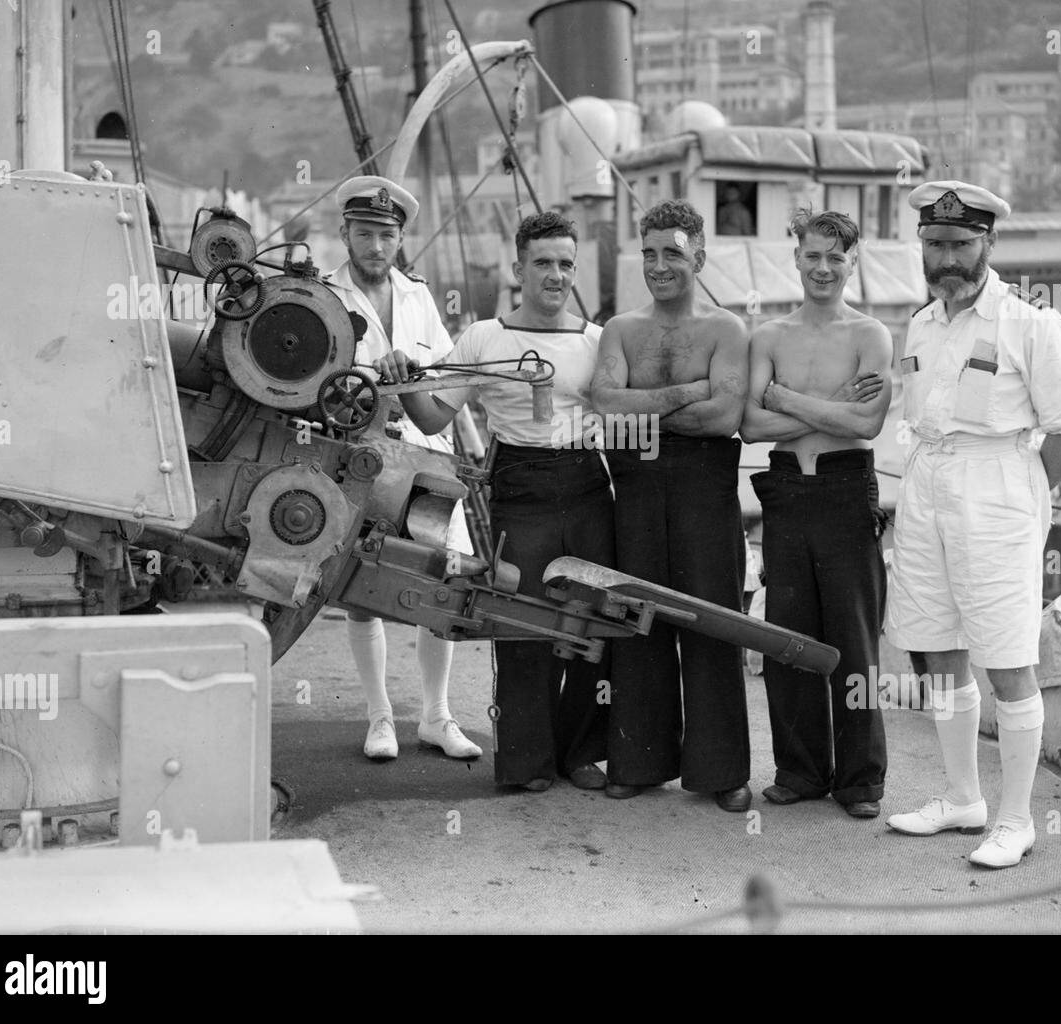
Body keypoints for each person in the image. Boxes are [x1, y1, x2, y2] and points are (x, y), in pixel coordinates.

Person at [884, 180, 1061, 868]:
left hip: (997, 487)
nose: (946, 257)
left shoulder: (1031, 324)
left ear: (987, 244)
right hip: (927, 484)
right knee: (936, 646)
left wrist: (1019, 504)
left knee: (1006, 659)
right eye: (934, 244)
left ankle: (1017, 818)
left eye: (960, 244)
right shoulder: (920, 324)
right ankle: (962, 796)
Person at [389, 211, 613, 793]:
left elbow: (626, 418)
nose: (556, 275)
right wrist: (407, 379)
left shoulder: (595, 341)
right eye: (542, 262)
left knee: (592, 623)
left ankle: (580, 754)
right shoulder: (486, 338)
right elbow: (436, 415)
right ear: (519, 268)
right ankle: (527, 761)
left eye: (566, 263)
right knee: (522, 624)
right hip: (520, 487)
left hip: (588, 486)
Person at [590, 199, 753, 813]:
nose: (660, 265)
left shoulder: (726, 330)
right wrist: (690, 392)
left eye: (674, 254)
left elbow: (725, 416)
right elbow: (605, 403)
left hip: (705, 493)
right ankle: (638, 759)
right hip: (634, 490)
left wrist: (643, 402)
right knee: (638, 619)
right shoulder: (620, 329)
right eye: (650, 253)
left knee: (713, 623)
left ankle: (722, 772)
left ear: (699, 258)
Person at [740, 208, 893, 818]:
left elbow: (869, 423)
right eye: (813, 255)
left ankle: (861, 781)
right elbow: (751, 425)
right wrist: (828, 405)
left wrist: (785, 398)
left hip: (844, 489)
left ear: (852, 262)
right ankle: (800, 772)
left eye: (836, 257)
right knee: (789, 638)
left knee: (854, 643)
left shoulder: (870, 335)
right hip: (784, 492)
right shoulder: (769, 336)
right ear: (796, 257)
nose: (823, 268)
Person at [323, 176, 481, 763]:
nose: (375, 246)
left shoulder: (416, 296)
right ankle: (379, 718)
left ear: (400, 240)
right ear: (345, 234)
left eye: (386, 235)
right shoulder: (327, 297)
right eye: (364, 233)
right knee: (363, 590)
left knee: (439, 582)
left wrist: (415, 373)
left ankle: (436, 717)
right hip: (357, 460)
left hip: (424, 459)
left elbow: (442, 379)